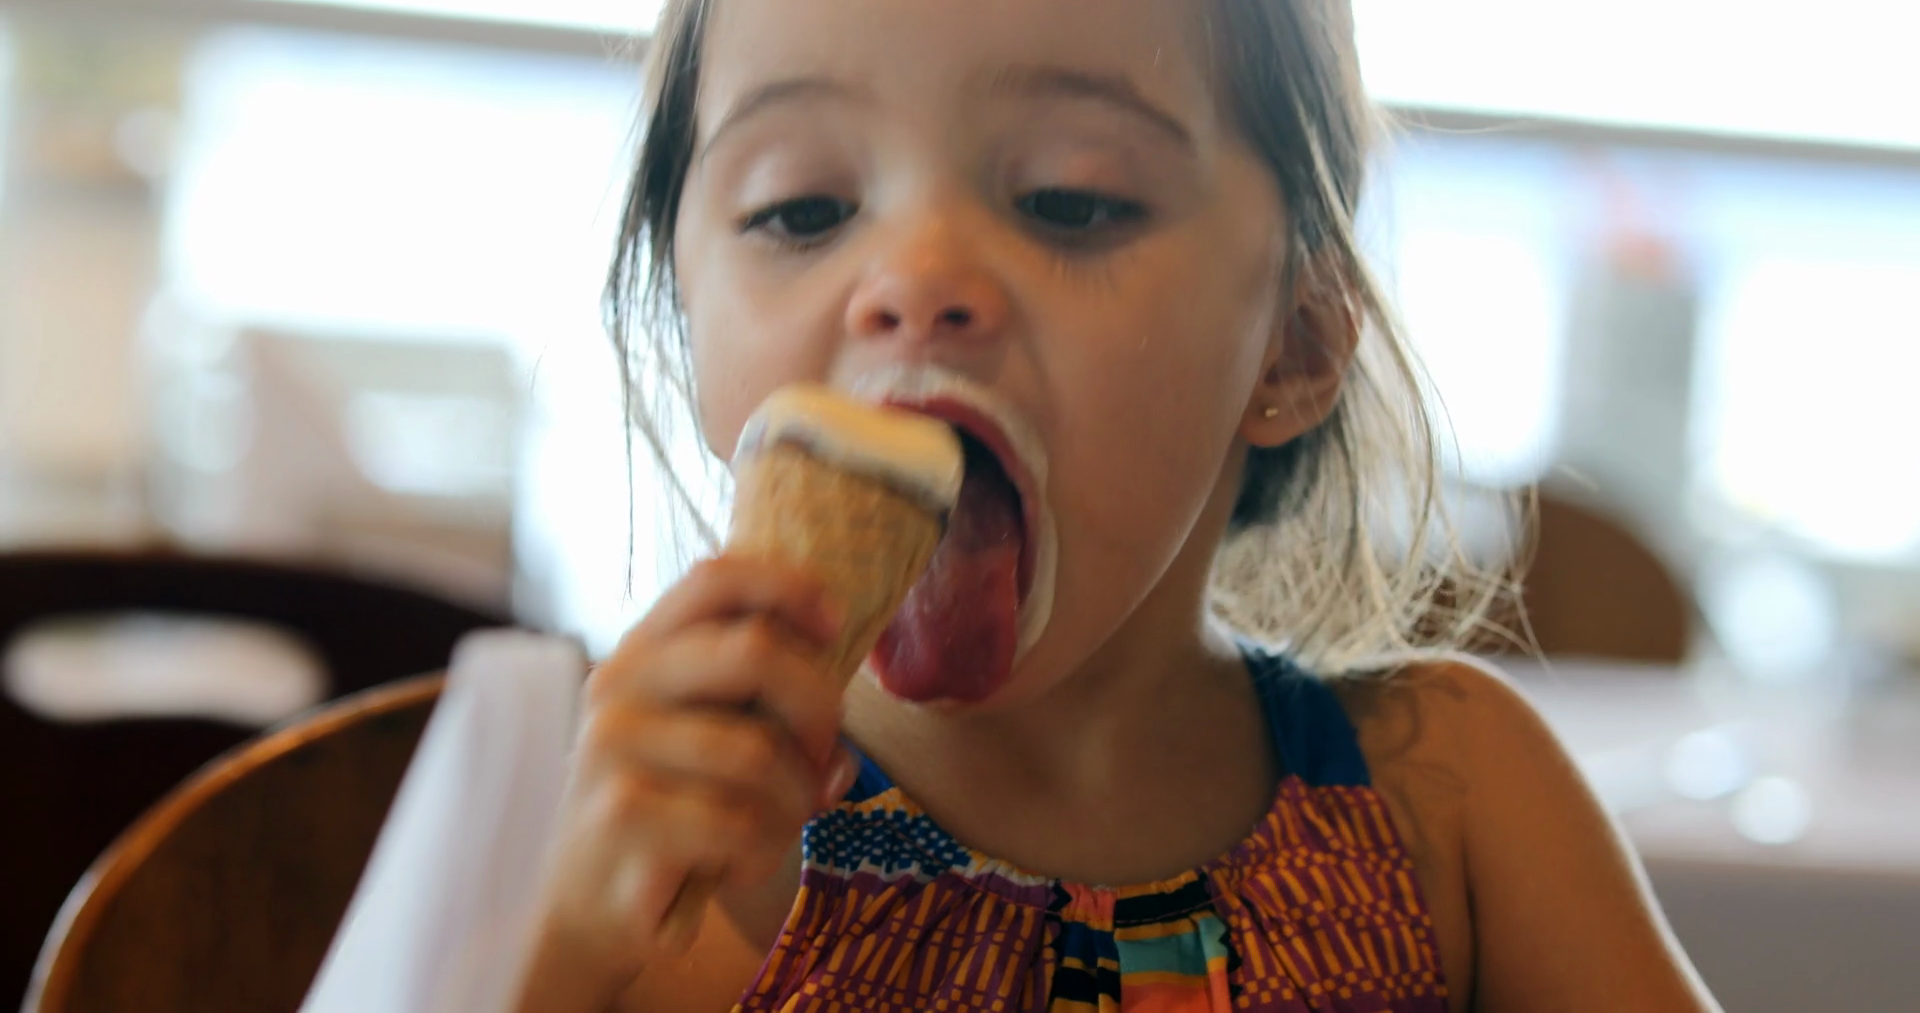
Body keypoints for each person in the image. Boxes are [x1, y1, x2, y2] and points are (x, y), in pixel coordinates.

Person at [516, 1, 1720, 1010]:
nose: (917, 278)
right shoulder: (645, 854)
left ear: (1293, 340)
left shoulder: (1450, 800)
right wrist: (560, 956)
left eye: (1069, 198)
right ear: (682, 305)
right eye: (804, 209)